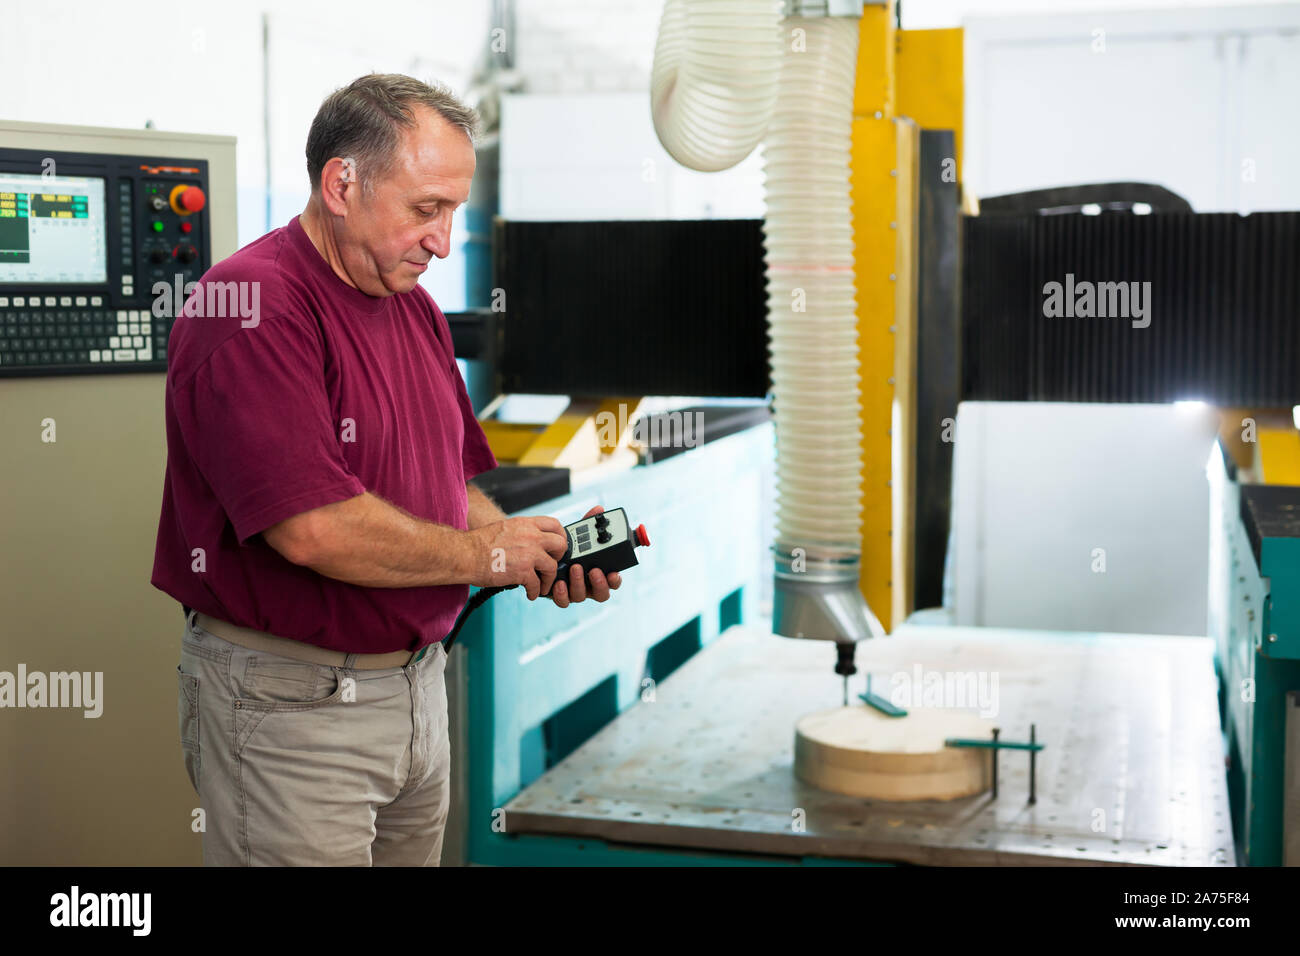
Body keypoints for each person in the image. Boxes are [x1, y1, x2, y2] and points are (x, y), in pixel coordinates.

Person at [152, 73, 619, 866]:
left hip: (413, 694)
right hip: (292, 710)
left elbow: (449, 487)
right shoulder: (252, 305)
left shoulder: (414, 307)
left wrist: (526, 548)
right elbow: (314, 528)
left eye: (453, 213)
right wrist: (482, 557)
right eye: (425, 209)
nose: (443, 240)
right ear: (342, 182)